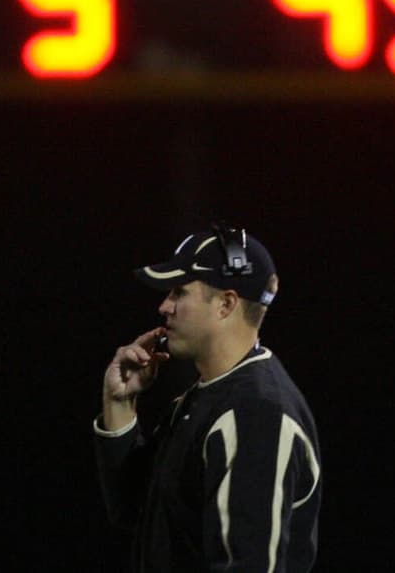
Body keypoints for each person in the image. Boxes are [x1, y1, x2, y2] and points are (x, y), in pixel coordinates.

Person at [95, 222, 322, 572]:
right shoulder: (207, 396)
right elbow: (134, 514)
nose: (164, 307)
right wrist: (119, 404)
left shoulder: (256, 415)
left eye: (179, 292)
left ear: (226, 303)